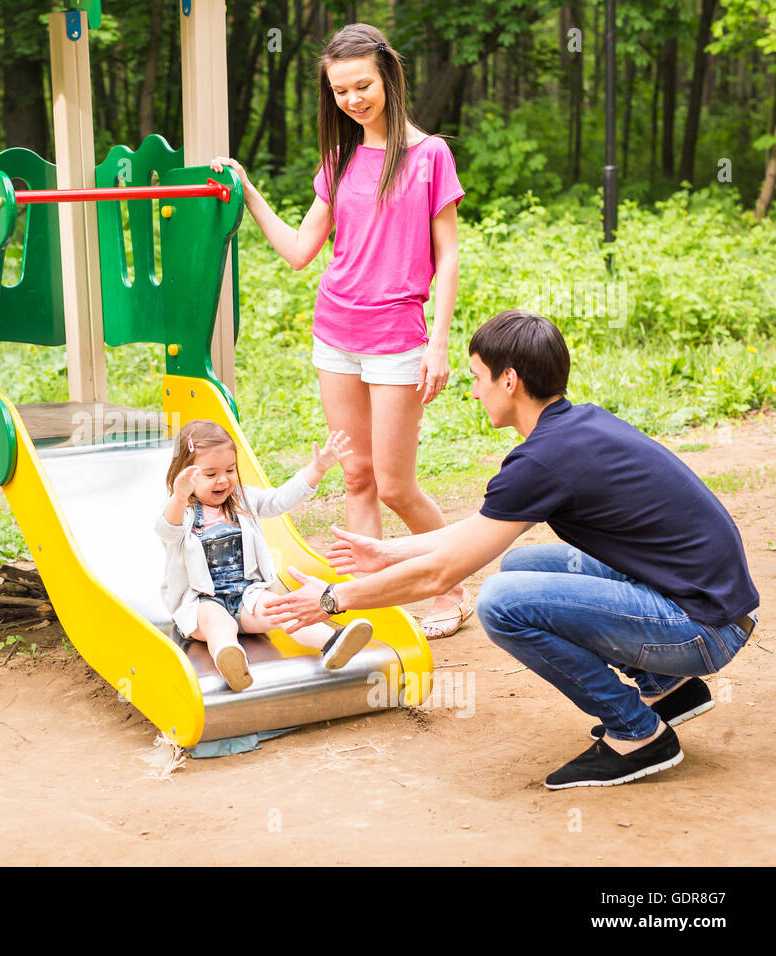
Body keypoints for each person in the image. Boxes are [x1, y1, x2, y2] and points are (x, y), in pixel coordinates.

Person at [263, 310, 760, 789]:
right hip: (710, 606)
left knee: (501, 602)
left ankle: (637, 734)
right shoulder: (572, 428)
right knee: (521, 564)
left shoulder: (542, 461)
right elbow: (481, 529)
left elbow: (439, 578)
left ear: (509, 380)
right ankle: (668, 689)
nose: (473, 390)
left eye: (478, 377)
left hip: (700, 629)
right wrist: (387, 551)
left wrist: (331, 600)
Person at [210, 21, 471, 641]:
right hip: (335, 336)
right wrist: (248, 193)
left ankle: (452, 589)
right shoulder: (339, 159)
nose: (352, 99)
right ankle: (369, 607)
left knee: (397, 483)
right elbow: (303, 251)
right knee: (356, 477)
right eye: (340, 91)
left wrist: (439, 344)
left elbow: (450, 256)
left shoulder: (430, 154)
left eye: (363, 85)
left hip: (399, 340)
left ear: (388, 78)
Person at [156, 419, 373, 692]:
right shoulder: (182, 513)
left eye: (230, 470)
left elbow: (280, 500)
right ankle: (230, 659)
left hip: (248, 596)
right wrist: (178, 497)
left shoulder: (243, 500)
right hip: (201, 602)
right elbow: (167, 531)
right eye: (210, 474)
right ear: (187, 476)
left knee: (283, 608)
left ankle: (333, 643)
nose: (223, 479)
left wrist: (317, 469)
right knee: (217, 622)